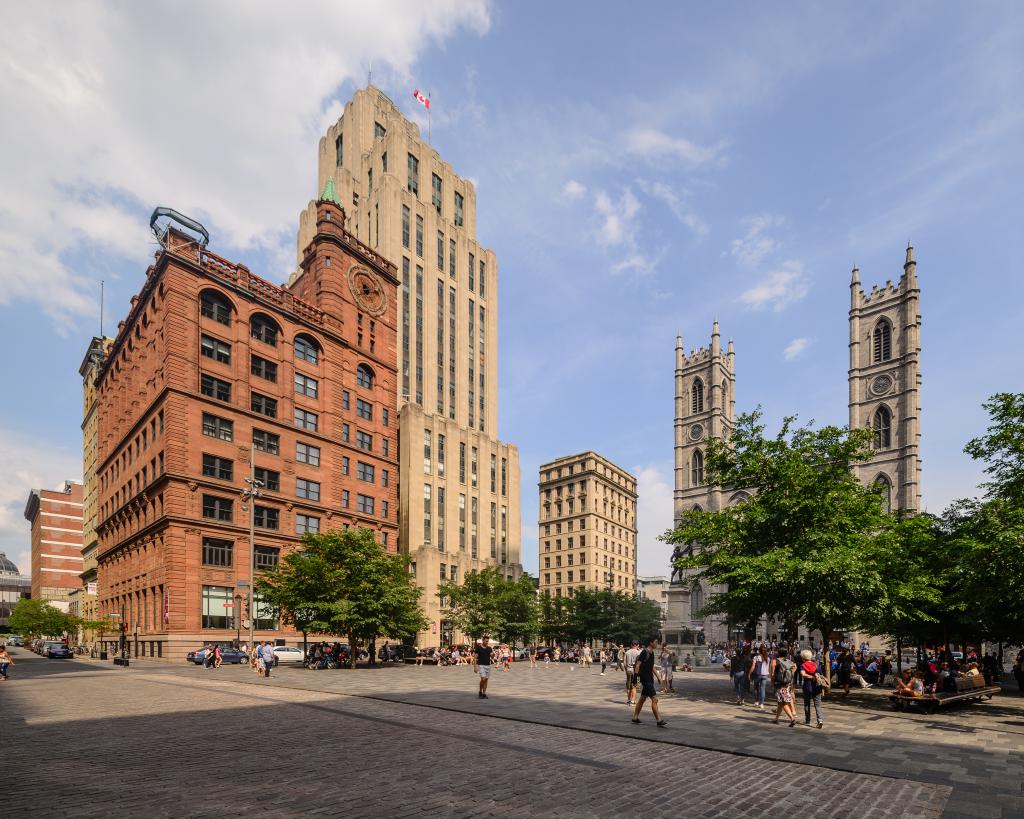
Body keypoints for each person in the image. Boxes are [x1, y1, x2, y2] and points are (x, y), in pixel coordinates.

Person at [631, 637, 668, 727]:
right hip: (645, 679)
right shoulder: (644, 652)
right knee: (655, 699)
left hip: (650, 679)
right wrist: (636, 680)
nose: (657, 644)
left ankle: (635, 717)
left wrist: (658, 677)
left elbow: (651, 666)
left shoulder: (652, 653)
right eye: (656, 642)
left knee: (642, 698)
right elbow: (637, 665)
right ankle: (659, 720)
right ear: (651, 643)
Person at [798, 649, 825, 728]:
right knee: (818, 705)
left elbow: (803, 674)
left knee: (807, 704)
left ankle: (807, 720)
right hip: (817, 687)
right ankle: (820, 720)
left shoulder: (803, 665)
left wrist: (811, 677)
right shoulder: (816, 665)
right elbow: (821, 677)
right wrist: (822, 689)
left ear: (803, 658)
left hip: (807, 687)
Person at [770, 649, 797, 727]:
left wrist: (772, 682)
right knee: (780, 703)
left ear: (779, 653)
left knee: (784, 703)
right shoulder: (789, 661)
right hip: (787, 684)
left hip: (779, 685)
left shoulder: (776, 661)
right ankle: (776, 719)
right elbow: (794, 669)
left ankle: (792, 719)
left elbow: (773, 674)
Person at [749, 646, 772, 710]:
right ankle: (761, 703)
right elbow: (768, 667)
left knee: (756, 688)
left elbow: (753, 666)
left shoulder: (756, 657)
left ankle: (756, 701)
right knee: (762, 689)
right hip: (765, 675)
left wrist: (749, 673)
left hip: (758, 675)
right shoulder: (768, 658)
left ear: (759, 651)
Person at [624, 640, 642, 705]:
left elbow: (624, 663)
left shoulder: (627, 652)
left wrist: (626, 670)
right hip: (635, 671)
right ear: (637, 645)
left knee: (628, 686)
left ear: (631, 645)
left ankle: (628, 700)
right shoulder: (638, 653)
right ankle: (633, 700)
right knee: (634, 686)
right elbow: (640, 663)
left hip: (628, 670)